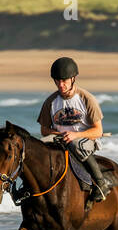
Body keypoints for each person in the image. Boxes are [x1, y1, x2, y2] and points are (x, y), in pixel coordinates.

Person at [37, 56, 110, 207]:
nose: (60, 85)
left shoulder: (86, 99)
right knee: (37, 146)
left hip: (85, 140)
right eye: (57, 81)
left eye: (64, 81)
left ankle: (101, 184)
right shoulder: (50, 102)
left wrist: (75, 134)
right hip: (60, 139)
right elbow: (44, 130)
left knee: (76, 144)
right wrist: (59, 134)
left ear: (73, 79)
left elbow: (98, 130)